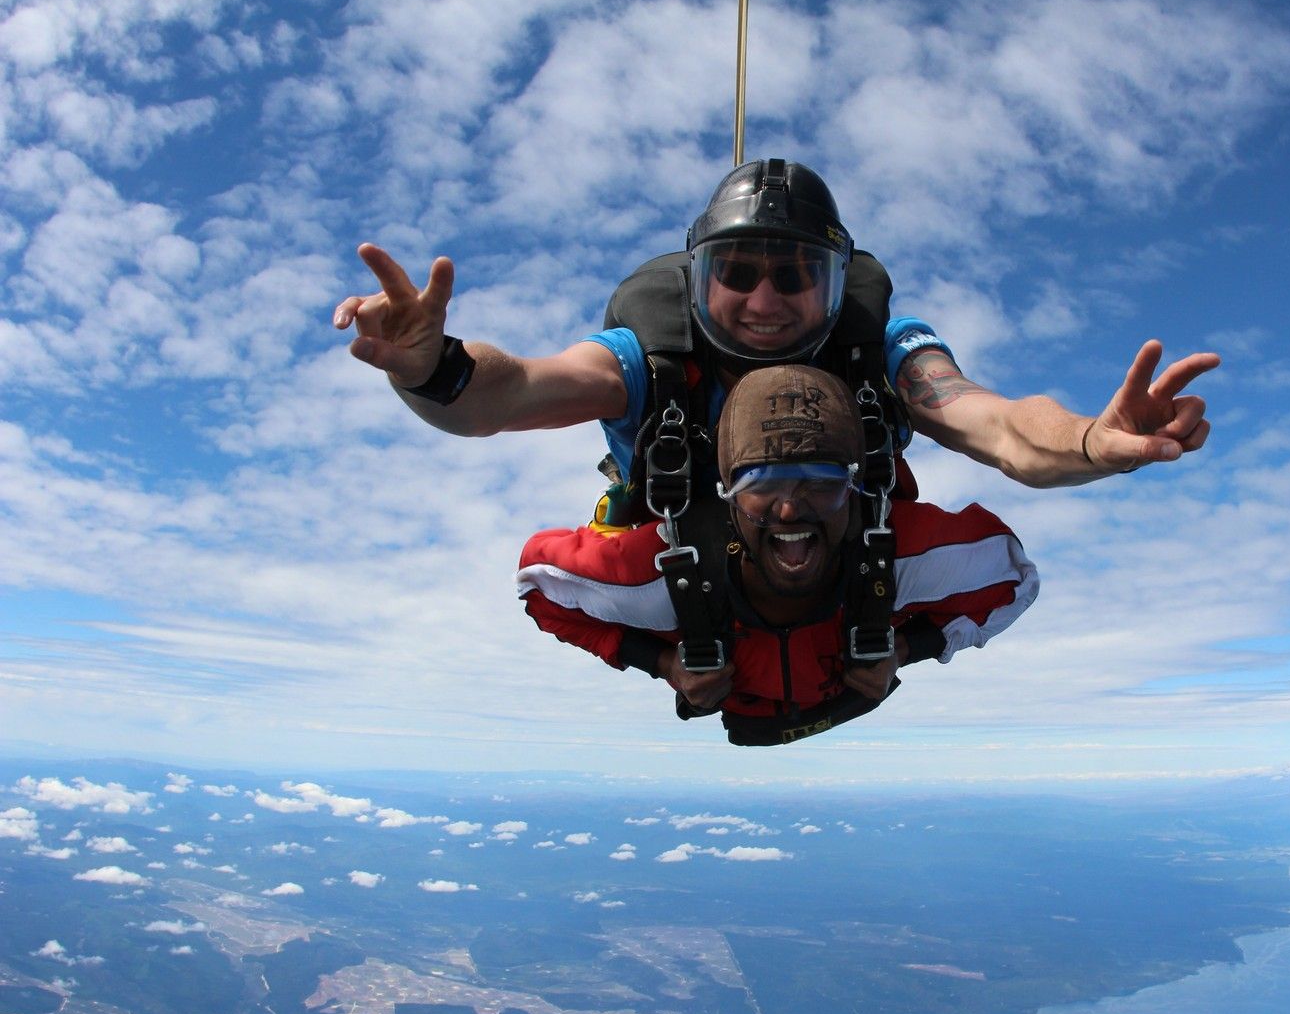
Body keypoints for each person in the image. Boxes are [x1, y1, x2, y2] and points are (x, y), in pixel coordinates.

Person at [332, 159, 1219, 497]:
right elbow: (511, 391)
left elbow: (990, 421)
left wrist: (1091, 441)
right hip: (693, 563)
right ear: (695, 278)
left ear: (839, 284)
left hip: (842, 570)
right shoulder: (652, 356)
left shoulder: (880, 347)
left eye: (798, 275)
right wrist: (430, 366)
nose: (764, 301)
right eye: (737, 273)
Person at [515, 365, 1038, 746]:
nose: (789, 509)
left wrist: (906, 648)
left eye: (822, 481)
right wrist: (663, 663)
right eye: (759, 481)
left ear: (855, 490)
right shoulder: (667, 573)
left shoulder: (896, 555)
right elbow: (540, 586)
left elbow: (1015, 580)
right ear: (725, 492)